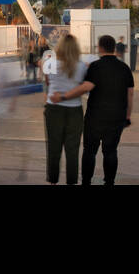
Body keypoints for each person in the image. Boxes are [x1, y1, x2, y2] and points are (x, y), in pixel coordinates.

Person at [54, 36, 135, 187]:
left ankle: (86, 182)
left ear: (100, 48)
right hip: (117, 117)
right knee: (110, 151)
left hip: (95, 117)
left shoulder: (95, 66)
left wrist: (64, 96)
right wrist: (128, 116)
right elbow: (130, 94)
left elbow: (86, 87)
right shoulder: (125, 68)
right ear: (114, 48)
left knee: (89, 151)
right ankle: (109, 182)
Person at [41, 32, 86, 185]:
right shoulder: (81, 66)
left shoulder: (49, 63)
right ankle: (71, 182)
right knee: (72, 150)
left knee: (54, 148)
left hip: (53, 109)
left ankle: (53, 181)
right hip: (74, 110)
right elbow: (82, 86)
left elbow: (48, 83)